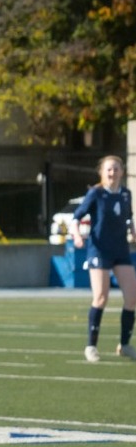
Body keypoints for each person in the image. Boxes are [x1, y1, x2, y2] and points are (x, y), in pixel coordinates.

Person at [71, 155, 135, 362]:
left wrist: (133, 231)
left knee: (132, 298)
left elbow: (128, 218)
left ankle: (124, 345)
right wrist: (76, 235)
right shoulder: (96, 193)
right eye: (109, 169)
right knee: (101, 297)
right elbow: (76, 217)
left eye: (116, 169)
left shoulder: (126, 194)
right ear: (102, 172)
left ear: (122, 172)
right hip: (99, 251)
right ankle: (91, 346)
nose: (112, 173)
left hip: (120, 250)